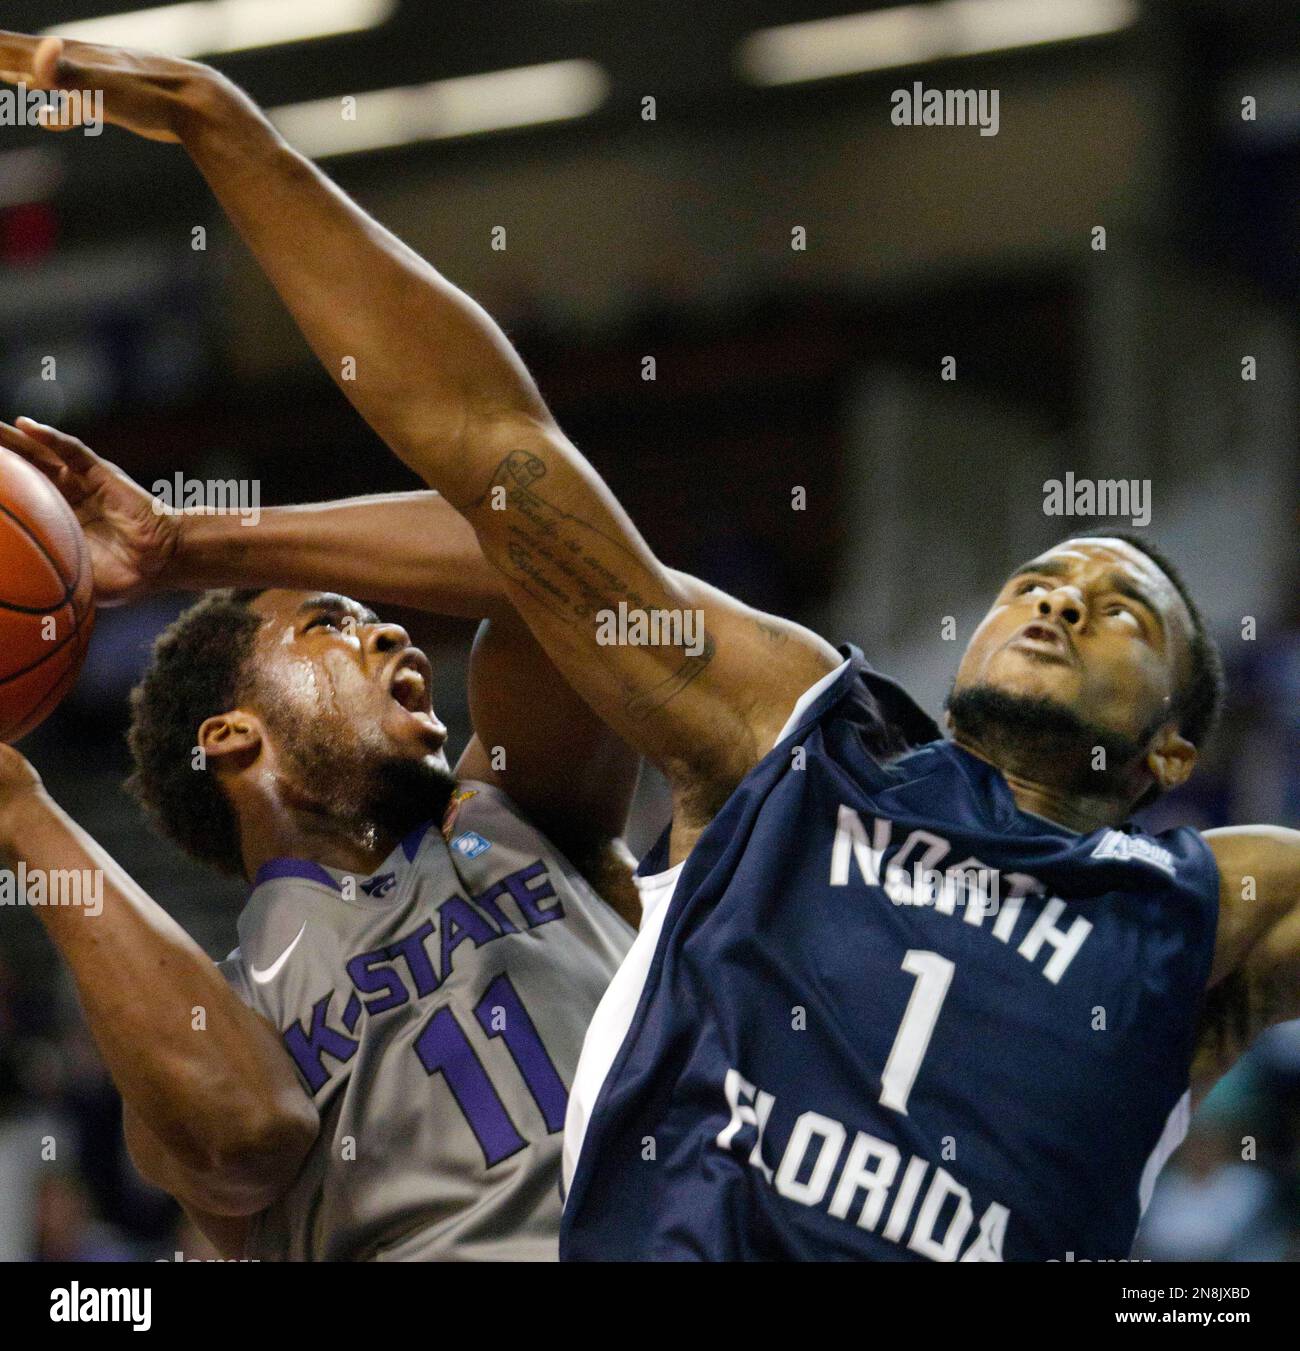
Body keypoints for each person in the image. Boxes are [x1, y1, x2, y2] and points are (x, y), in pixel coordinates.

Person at [2, 29, 1297, 1262]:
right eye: (1036, 578)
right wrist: (224, 132)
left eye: (1122, 606)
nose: (1061, 601)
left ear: (1175, 745)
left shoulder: (1191, 914)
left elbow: (516, 523)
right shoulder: (796, 735)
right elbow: (502, 465)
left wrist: (202, 541)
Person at [0, 418, 638, 1260]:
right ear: (230, 735)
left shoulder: (521, 819)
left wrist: (183, 541)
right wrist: (15, 806)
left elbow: (557, 551)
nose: (390, 635)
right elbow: (246, 1134)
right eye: (329, 625)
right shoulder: (223, 1014)